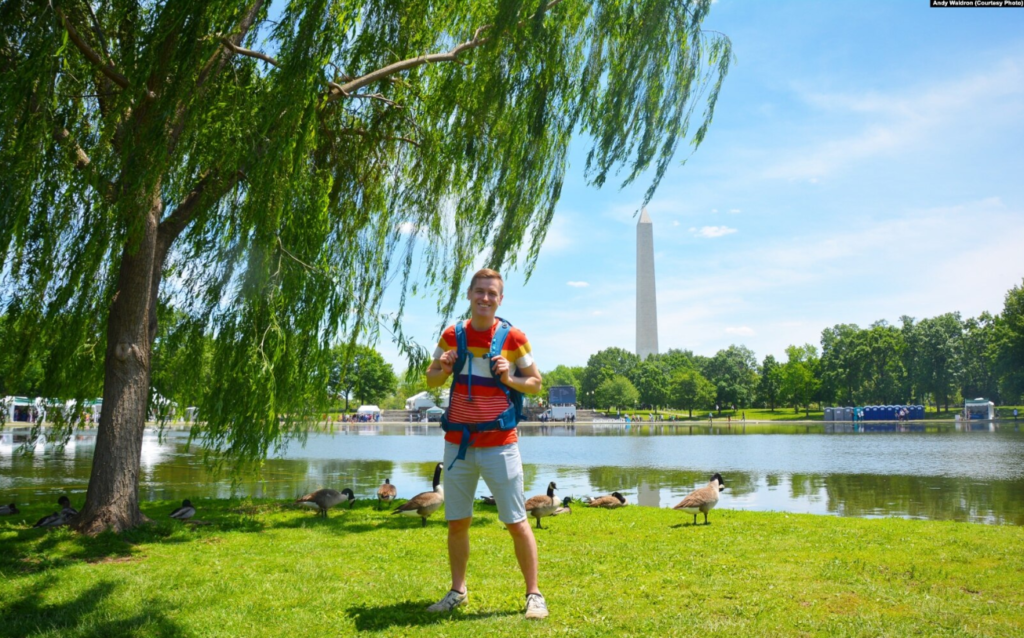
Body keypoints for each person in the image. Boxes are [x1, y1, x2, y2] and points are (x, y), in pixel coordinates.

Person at [425, 268, 547, 620]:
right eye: (480, 292)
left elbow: (536, 384)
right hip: (458, 444)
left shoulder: (514, 338)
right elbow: (430, 378)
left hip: (500, 444)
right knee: (457, 521)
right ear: (469, 294)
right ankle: (457, 590)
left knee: (516, 521)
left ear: (500, 299)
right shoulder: (452, 334)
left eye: (492, 293)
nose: (485, 298)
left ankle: (534, 594)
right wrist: (445, 369)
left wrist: (510, 377)